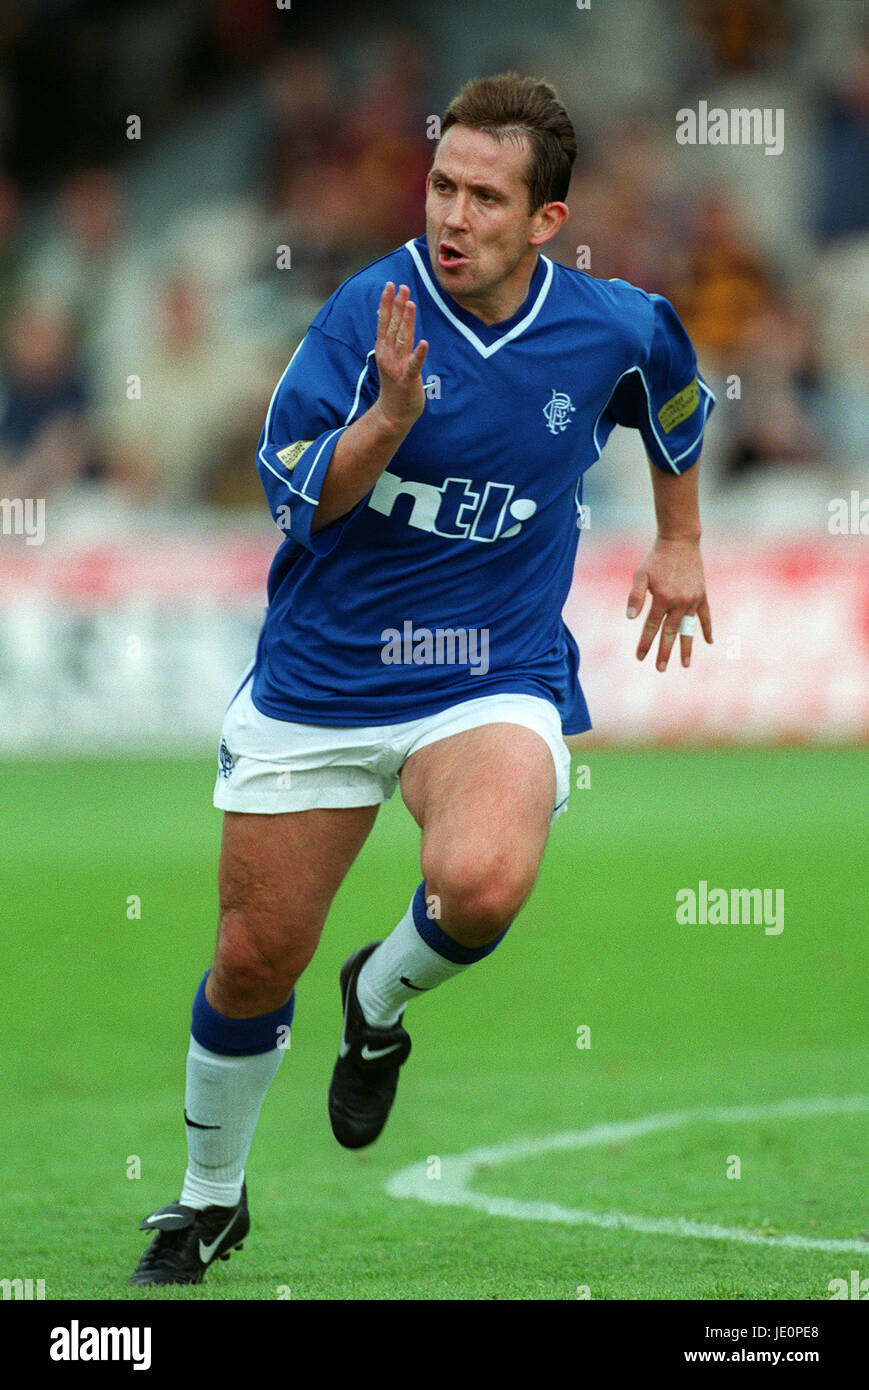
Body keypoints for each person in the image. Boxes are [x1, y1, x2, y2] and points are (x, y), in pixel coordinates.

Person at [131, 71, 714, 1287]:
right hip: (326, 680)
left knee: (483, 882)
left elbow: (669, 383)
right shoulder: (366, 314)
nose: (450, 214)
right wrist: (386, 421)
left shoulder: (603, 323)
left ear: (544, 220)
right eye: (441, 183)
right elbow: (298, 497)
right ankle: (205, 1200)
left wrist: (678, 538)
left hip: (488, 670)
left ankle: (377, 1001)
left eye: (484, 197)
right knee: (249, 960)